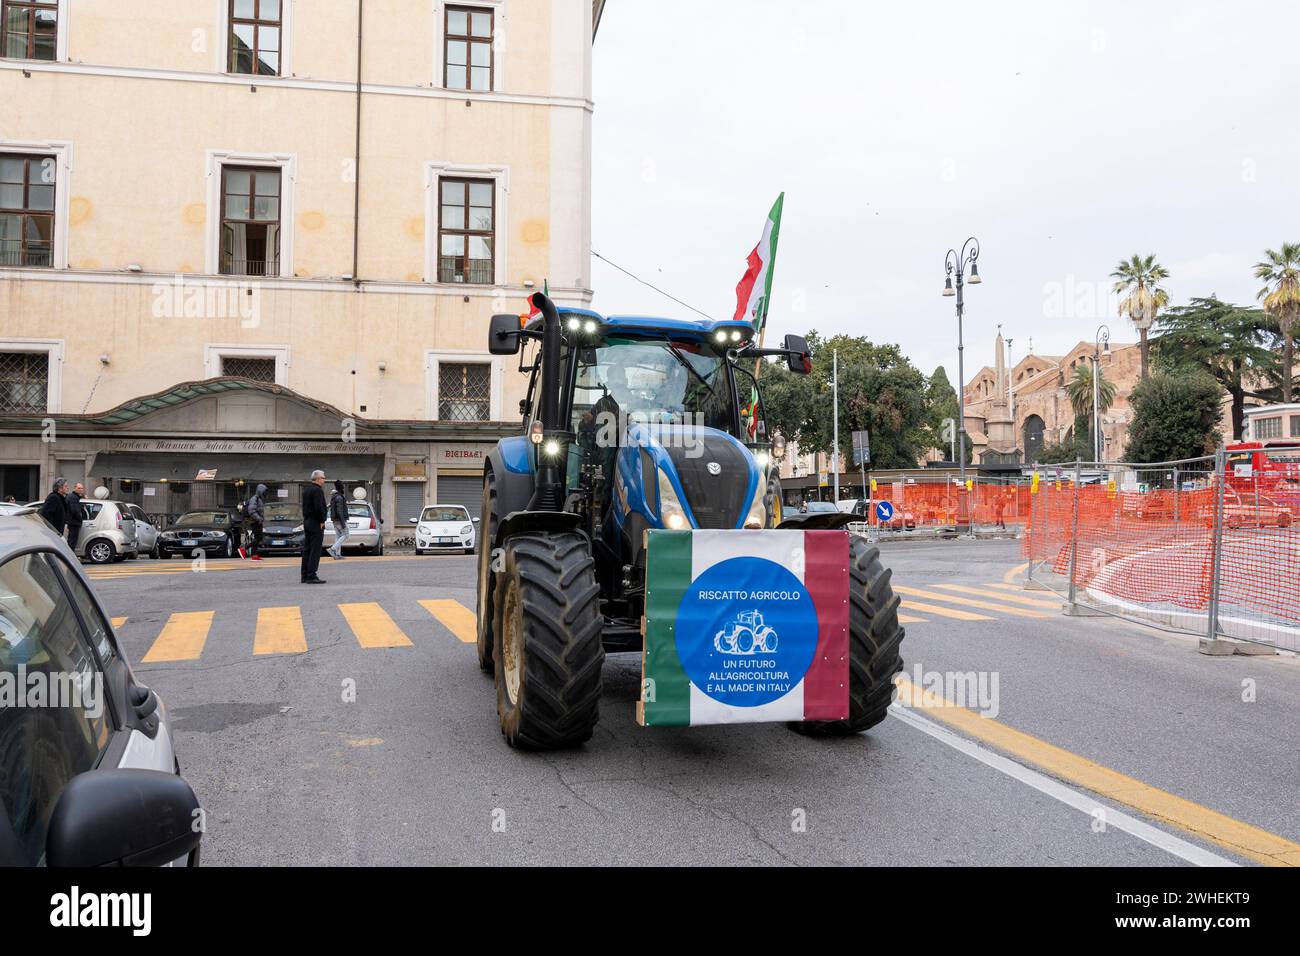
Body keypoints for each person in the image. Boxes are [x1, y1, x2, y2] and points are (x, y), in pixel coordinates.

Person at [301, 470, 327, 584]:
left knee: (307, 549)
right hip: (316, 522)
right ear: (317, 479)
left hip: (307, 521)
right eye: (323, 478)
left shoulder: (307, 490)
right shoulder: (317, 490)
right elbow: (319, 507)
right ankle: (311, 575)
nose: (324, 480)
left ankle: (305, 575)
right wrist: (322, 520)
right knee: (315, 550)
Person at [243, 483, 268, 561]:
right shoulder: (255, 498)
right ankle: (244, 549)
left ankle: (254, 555)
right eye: (264, 491)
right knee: (258, 538)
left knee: (258, 538)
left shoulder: (258, 499)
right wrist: (259, 519)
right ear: (260, 491)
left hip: (257, 521)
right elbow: (251, 511)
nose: (265, 493)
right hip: (255, 521)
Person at [326, 480, 351, 560]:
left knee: (338, 536)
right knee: (346, 535)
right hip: (340, 520)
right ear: (341, 487)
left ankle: (337, 554)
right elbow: (339, 511)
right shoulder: (339, 497)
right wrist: (343, 523)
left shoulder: (334, 496)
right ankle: (332, 549)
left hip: (335, 520)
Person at [64, 482, 85, 550]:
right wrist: (80, 519)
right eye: (79, 488)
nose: (80, 490)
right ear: (75, 488)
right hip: (73, 522)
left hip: (72, 522)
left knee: (71, 540)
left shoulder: (76, 497)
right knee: (72, 541)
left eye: (82, 488)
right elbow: (75, 511)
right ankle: (70, 556)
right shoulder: (73, 497)